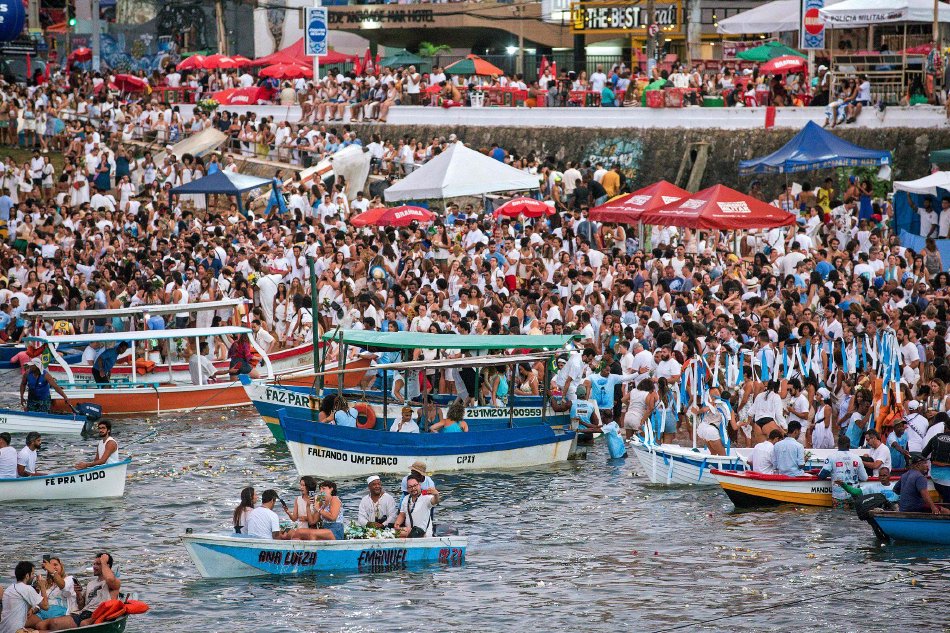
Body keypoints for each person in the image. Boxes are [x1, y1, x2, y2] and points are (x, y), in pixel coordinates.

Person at [39, 553, 120, 629]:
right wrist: (78, 594)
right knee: (41, 625)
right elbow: (81, 605)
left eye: (98, 564)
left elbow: (110, 578)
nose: (94, 566)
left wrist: (104, 561)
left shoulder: (113, 582)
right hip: (82, 613)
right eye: (94, 564)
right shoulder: (90, 584)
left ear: (107, 566)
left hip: (97, 614)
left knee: (54, 623)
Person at [28, 557, 80, 629]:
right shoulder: (46, 583)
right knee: (24, 621)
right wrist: (32, 610)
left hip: (60, 612)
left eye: (55, 565)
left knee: (40, 626)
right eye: (50, 565)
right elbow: (40, 602)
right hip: (43, 612)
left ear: (61, 566)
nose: (52, 567)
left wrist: (52, 571)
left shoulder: (69, 579)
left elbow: (63, 586)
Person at [818, 436, 868, 507]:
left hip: (839, 497)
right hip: (855, 495)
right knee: (855, 516)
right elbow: (864, 478)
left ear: (838, 445)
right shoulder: (857, 458)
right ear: (849, 445)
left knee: (839, 517)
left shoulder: (832, 457)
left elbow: (822, 475)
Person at [0, 562, 48, 633]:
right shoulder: (27, 589)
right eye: (32, 574)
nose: (33, 577)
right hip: (16, 631)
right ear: (27, 576)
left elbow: (26, 607)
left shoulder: (9, 589)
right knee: (49, 631)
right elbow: (45, 606)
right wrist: (43, 586)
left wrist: (36, 588)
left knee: (32, 630)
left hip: (4, 630)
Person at [394, 473, 440, 538]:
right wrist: (397, 523)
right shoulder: (406, 498)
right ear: (407, 489)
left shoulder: (426, 496)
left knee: (396, 534)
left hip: (424, 535)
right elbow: (402, 514)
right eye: (410, 487)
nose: (413, 488)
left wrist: (436, 495)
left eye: (415, 485)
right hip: (410, 533)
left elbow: (435, 501)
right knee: (393, 532)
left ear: (419, 485)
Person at [922, 424, 950, 502]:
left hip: (935, 477)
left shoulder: (935, 437)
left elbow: (923, 454)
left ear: (945, 428)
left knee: (944, 500)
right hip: (948, 480)